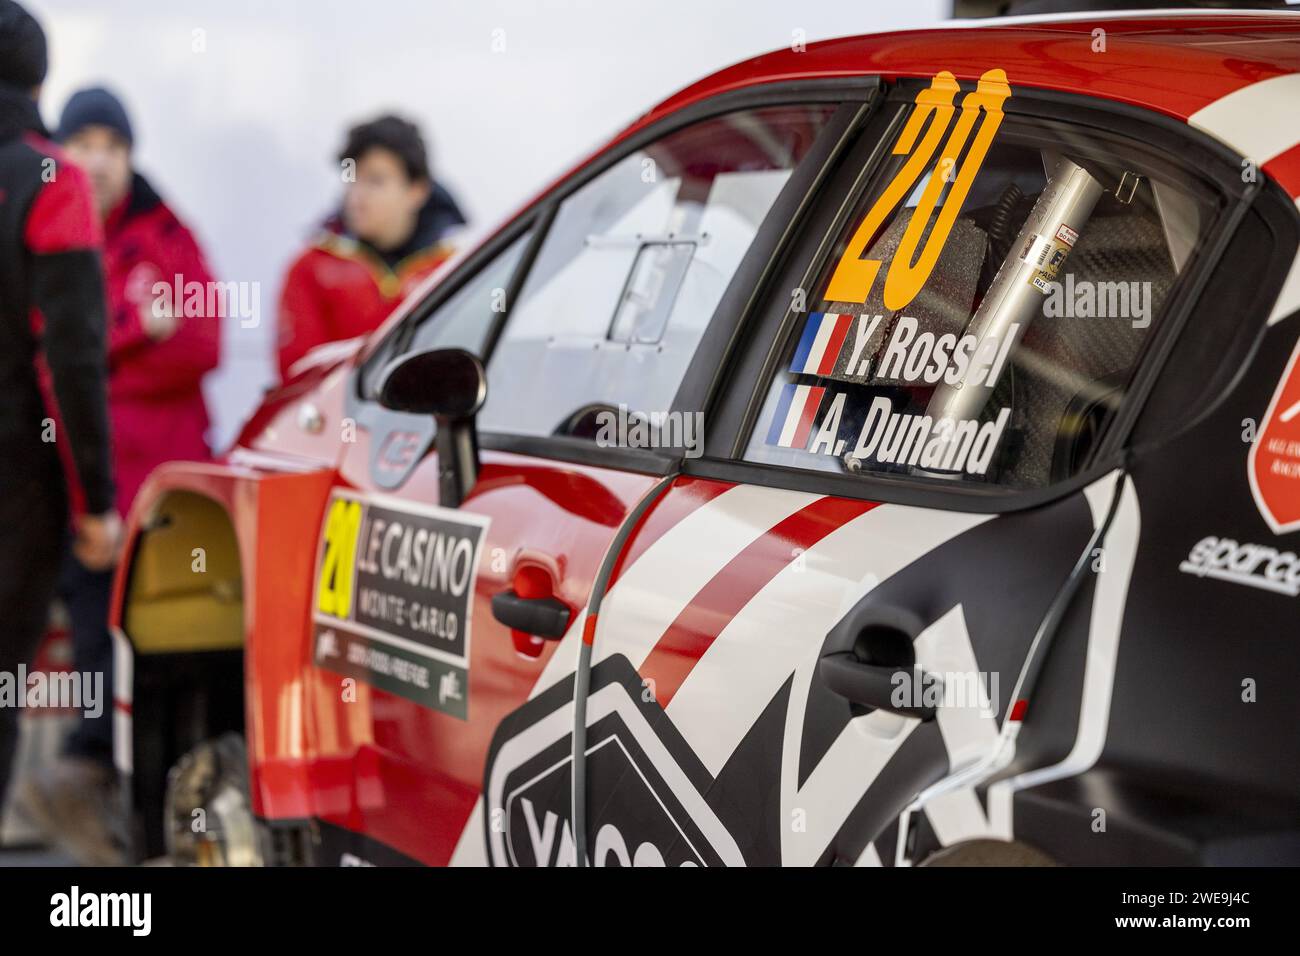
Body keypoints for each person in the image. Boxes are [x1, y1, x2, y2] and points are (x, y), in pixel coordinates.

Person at [18, 86, 221, 865]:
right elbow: (49, 363)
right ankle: (89, 790)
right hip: (82, 495)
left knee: (175, 652)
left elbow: (201, 343)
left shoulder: (167, 235)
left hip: (169, 502)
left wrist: (98, 359)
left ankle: (169, 814)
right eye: (84, 143)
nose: (98, 160)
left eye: (113, 143)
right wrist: (137, 332)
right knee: (98, 644)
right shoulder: (50, 227)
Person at [0, 0, 119, 841]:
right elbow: (71, 362)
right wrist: (97, 505)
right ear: (40, 80)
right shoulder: (50, 182)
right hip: (16, 488)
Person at [276, 114, 464, 380]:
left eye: (376, 181)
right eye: (352, 179)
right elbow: (299, 375)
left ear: (417, 191)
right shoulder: (311, 268)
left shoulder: (453, 269)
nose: (357, 195)